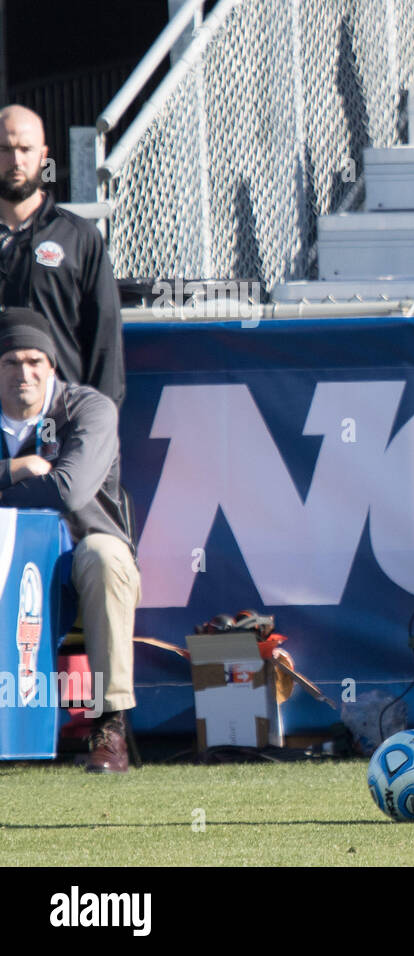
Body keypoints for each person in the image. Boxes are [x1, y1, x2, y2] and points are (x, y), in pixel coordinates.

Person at [0, 306, 138, 772]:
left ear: (52, 366)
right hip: (7, 555)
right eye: (11, 361)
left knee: (105, 558)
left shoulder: (88, 408)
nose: (25, 372)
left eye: (35, 361)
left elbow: (68, 490)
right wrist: (14, 469)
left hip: (77, 553)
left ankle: (110, 723)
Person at [0, 105, 125, 408]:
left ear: (43, 156)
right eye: (4, 149)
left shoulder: (78, 238)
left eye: (25, 149)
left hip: (60, 422)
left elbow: (104, 344)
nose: (16, 160)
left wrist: (97, 428)